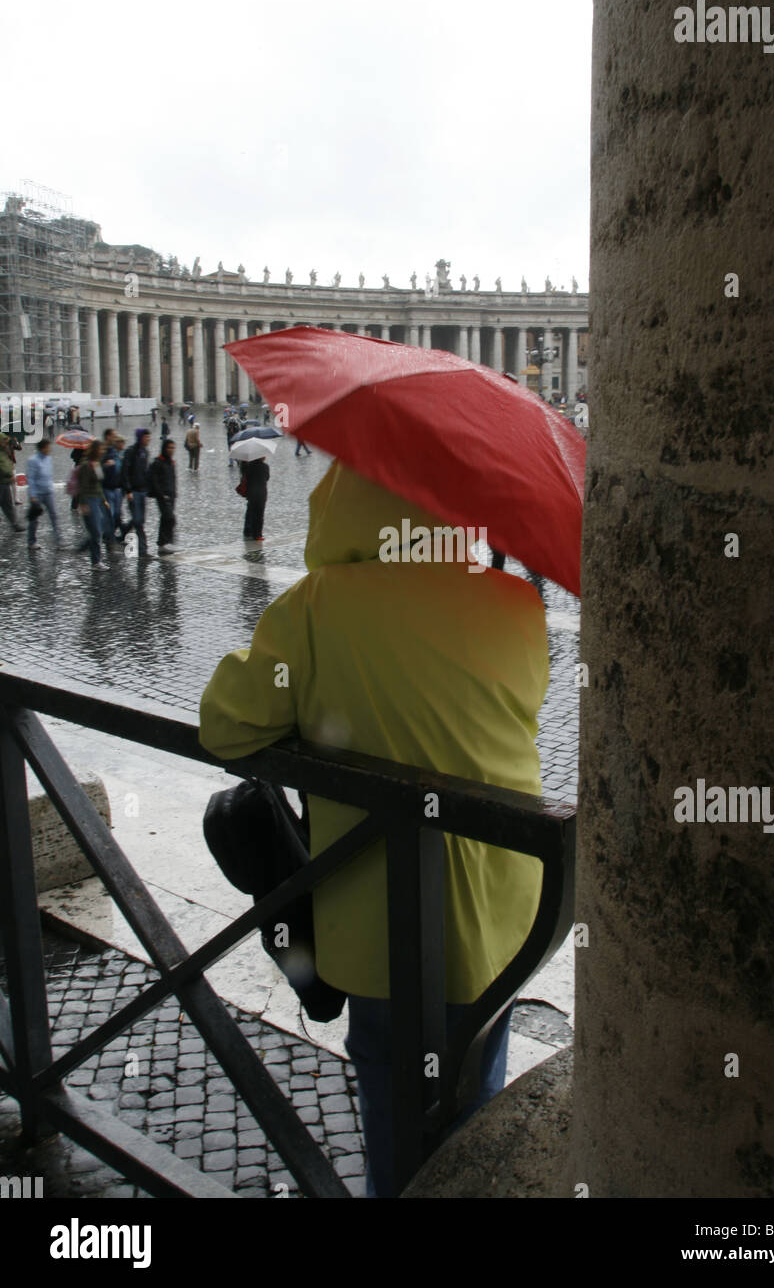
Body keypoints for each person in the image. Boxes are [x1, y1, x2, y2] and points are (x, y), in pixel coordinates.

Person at [199, 462, 546, 1197]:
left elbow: (225, 725)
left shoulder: (318, 607)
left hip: (386, 921)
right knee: (476, 1084)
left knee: (395, 1102)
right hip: (507, 908)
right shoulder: (514, 603)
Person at [76, 439, 111, 571]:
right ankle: (96, 561)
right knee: (96, 531)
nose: (103, 451)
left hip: (97, 499)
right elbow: (83, 486)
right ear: (96, 450)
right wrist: (83, 503)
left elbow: (98, 485)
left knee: (98, 530)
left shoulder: (97, 464)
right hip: (89, 499)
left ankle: (91, 553)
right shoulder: (86, 465)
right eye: (101, 449)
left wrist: (103, 500)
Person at [120, 427, 151, 557]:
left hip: (142, 490)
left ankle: (123, 532)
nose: (148, 439)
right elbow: (125, 471)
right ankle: (143, 550)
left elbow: (145, 471)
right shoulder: (131, 452)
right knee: (138, 521)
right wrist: (128, 490)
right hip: (133, 491)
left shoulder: (145, 452)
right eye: (145, 437)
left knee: (139, 520)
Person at [25, 438, 60, 548]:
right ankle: (31, 542)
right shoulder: (33, 461)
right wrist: (33, 495)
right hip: (38, 494)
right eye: (48, 447)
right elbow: (31, 479)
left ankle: (59, 540)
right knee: (34, 519)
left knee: (54, 515)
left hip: (48, 492)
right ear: (42, 448)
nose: (50, 449)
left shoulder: (48, 458)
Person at [149, 438, 177, 553]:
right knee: (169, 517)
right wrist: (161, 494)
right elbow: (154, 481)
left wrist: (174, 493)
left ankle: (165, 542)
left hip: (171, 494)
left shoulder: (171, 462)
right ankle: (164, 542)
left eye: (173, 448)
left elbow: (173, 479)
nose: (171, 450)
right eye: (169, 447)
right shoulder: (158, 462)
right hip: (162, 495)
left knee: (166, 518)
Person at [101, 429, 124, 539]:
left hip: (117, 486)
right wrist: (105, 465)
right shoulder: (102, 450)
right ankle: (108, 535)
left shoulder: (114, 450)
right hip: (107, 487)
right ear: (108, 437)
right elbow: (97, 468)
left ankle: (109, 534)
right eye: (113, 436)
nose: (115, 438)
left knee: (117, 514)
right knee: (110, 513)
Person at [0, 433, 24, 533]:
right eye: (4, 440)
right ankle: (15, 524)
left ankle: (14, 524)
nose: (6, 441)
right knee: (6, 503)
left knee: (8, 504)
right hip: (3, 481)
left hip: (5, 482)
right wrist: (8, 474)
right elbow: (2, 466)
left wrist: (14, 441)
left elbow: (19, 448)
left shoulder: (5, 450)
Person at [240, 456, 268, 540]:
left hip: (251, 493)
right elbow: (267, 477)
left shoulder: (248, 466)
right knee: (259, 514)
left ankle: (248, 531)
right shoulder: (265, 466)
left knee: (251, 512)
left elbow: (245, 477)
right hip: (261, 493)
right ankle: (257, 534)